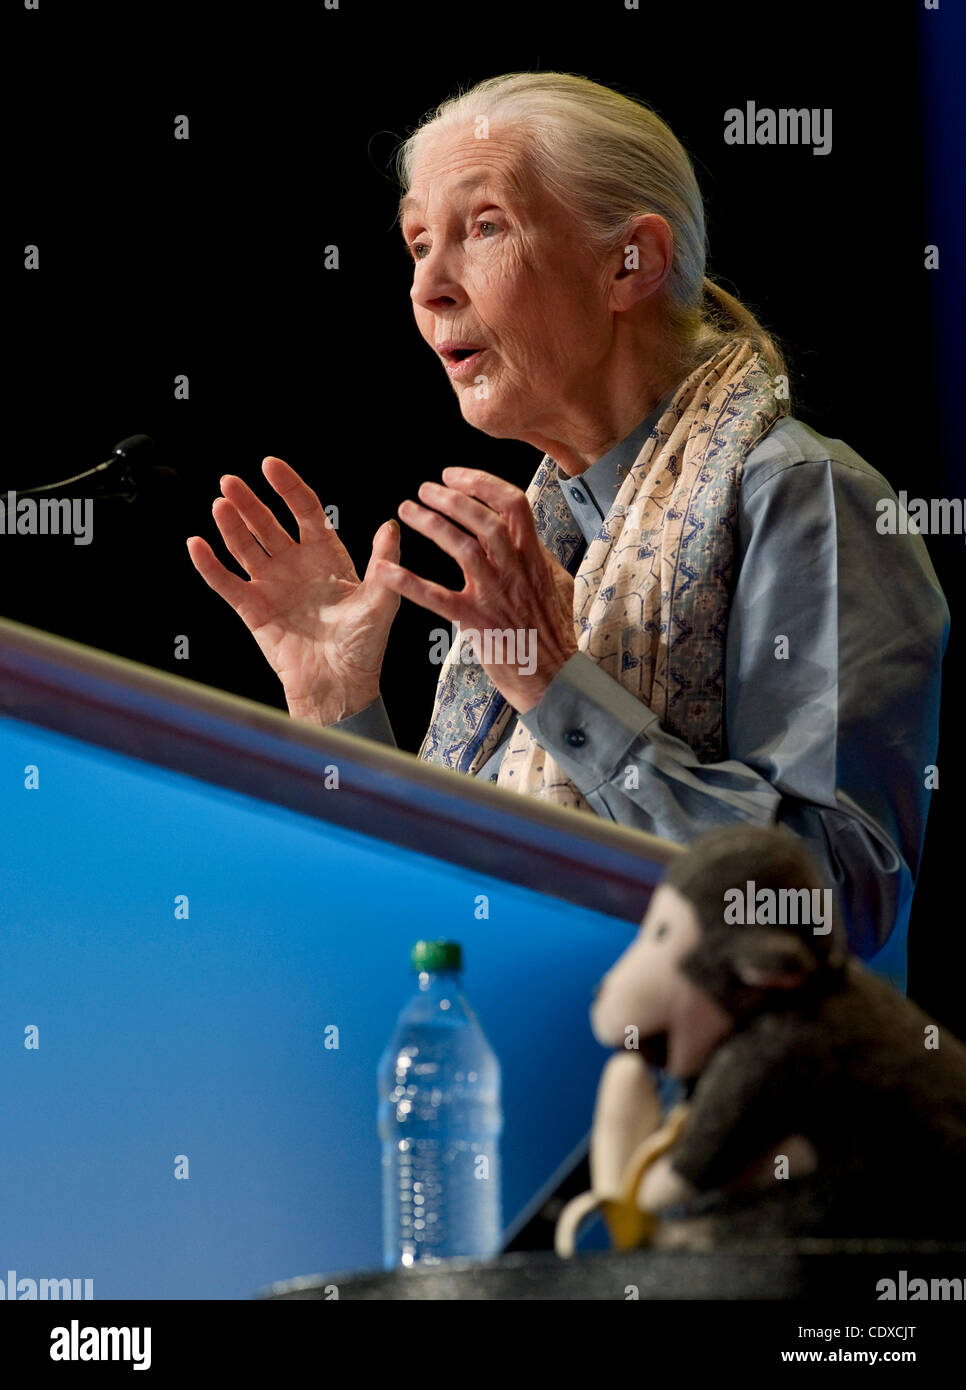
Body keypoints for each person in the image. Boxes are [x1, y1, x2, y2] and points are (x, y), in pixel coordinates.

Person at [186, 73, 948, 993]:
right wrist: (339, 708)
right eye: (418, 244)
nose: (428, 287)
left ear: (630, 263)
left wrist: (556, 683)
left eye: (485, 226)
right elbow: (440, 924)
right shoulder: (551, 534)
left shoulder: (804, 497)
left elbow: (833, 910)